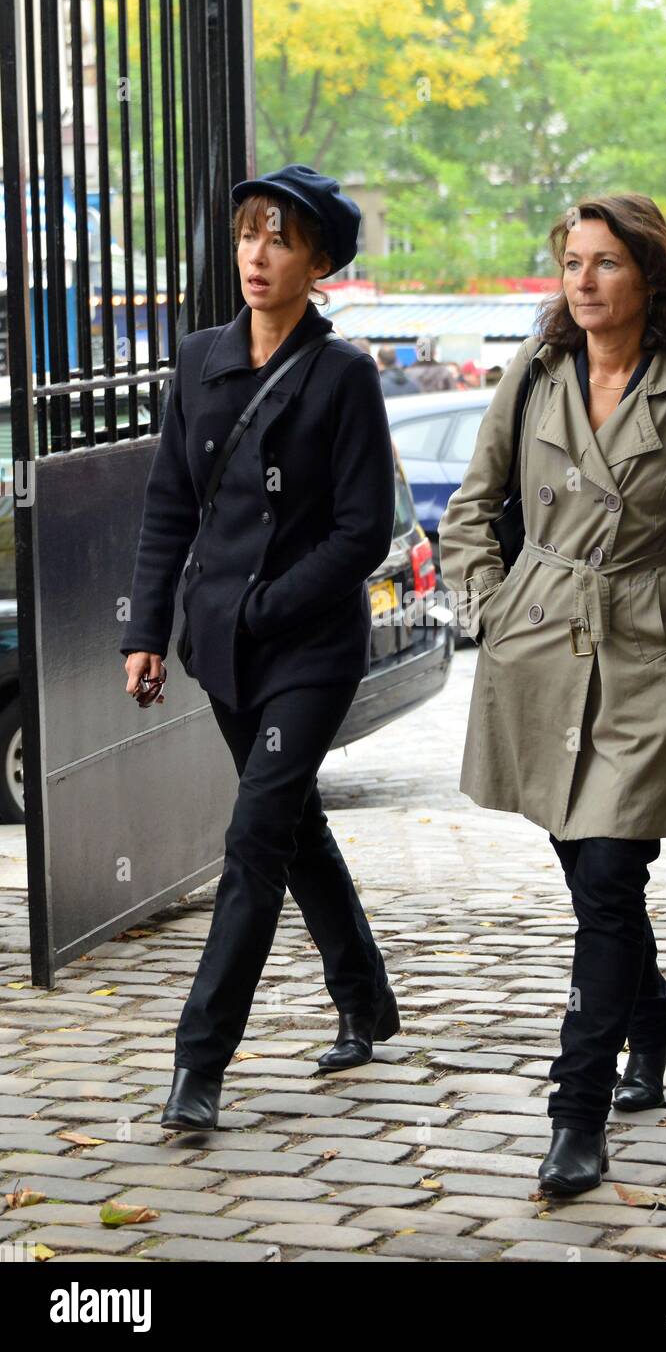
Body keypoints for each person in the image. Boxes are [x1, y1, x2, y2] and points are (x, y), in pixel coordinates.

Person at [438, 193, 666, 1197]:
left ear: (647, 276)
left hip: (654, 655)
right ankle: (652, 1017)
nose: (582, 281)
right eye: (570, 262)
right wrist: (489, 605)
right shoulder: (535, 372)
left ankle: (573, 1115)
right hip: (539, 644)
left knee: (605, 880)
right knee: (585, 869)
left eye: (604, 263)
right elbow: (470, 508)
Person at [119, 164, 399, 1132]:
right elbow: (168, 507)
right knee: (291, 825)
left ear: (318, 262)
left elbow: (363, 532)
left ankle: (199, 1062)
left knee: (251, 841)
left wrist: (273, 601)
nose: (256, 253)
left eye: (280, 239)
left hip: (310, 648)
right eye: (248, 233)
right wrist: (146, 630)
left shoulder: (343, 374)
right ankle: (365, 998)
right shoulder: (198, 359)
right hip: (220, 648)